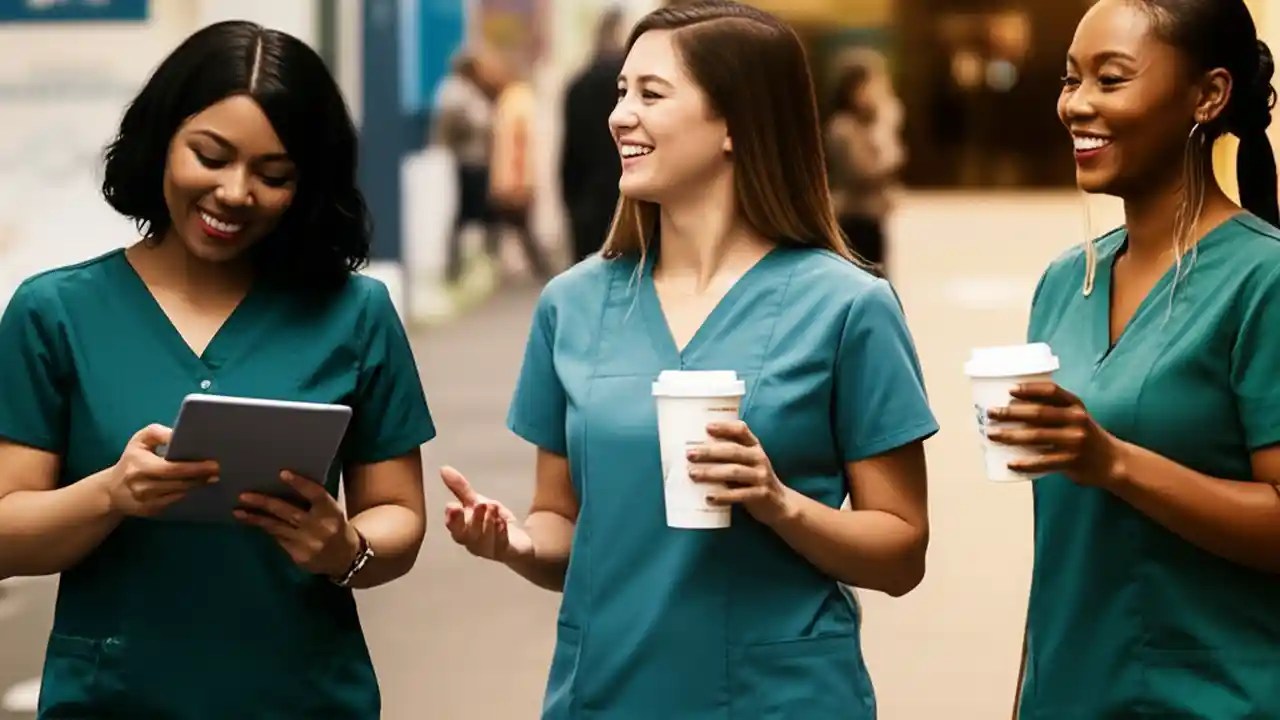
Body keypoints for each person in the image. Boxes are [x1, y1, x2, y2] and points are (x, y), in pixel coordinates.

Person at [441, 2, 936, 717]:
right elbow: (560, 522)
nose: (619, 117)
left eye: (651, 94)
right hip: (607, 694)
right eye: (620, 92)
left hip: (782, 698)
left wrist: (778, 504)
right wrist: (515, 543)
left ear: (735, 123)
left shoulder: (848, 307)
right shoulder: (572, 306)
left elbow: (900, 552)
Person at [0, 21, 435, 718]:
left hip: (303, 697)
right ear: (161, 139)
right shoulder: (53, 314)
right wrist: (110, 494)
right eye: (210, 156)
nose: (235, 193)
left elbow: (399, 517)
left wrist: (344, 547)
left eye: (274, 176)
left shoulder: (355, 314)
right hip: (113, 699)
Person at [1000, 1, 1280, 717]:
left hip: (1212, 700)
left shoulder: (1263, 281)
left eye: (1111, 79)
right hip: (1066, 693)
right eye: (1070, 80)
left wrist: (1113, 463)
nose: (1077, 105)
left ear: (1208, 95)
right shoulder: (1067, 281)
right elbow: (1062, 551)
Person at [824, 52, 905, 273]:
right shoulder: (844, 127)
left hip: (871, 217)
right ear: (855, 89)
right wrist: (886, 130)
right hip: (855, 218)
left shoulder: (864, 124)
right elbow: (865, 170)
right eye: (873, 85)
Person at [560, 7, 626, 263]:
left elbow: (570, 152)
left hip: (588, 201)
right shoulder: (638, 86)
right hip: (631, 198)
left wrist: (572, 203)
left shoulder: (578, 84)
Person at [434, 48, 500, 285]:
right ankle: (458, 267)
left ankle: (478, 264)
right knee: (466, 213)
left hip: (477, 160)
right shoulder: (454, 93)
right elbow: (451, 127)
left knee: (480, 213)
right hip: (466, 161)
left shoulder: (469, 91)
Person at [489, 58, 553, 281]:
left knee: (517, 225)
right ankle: (538, 266)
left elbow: (516, 144)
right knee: (515, 225)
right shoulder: (521, 100)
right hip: (516, 176)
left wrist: (515, 179)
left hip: (513, 178)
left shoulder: (513, 102)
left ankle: (540, 267)